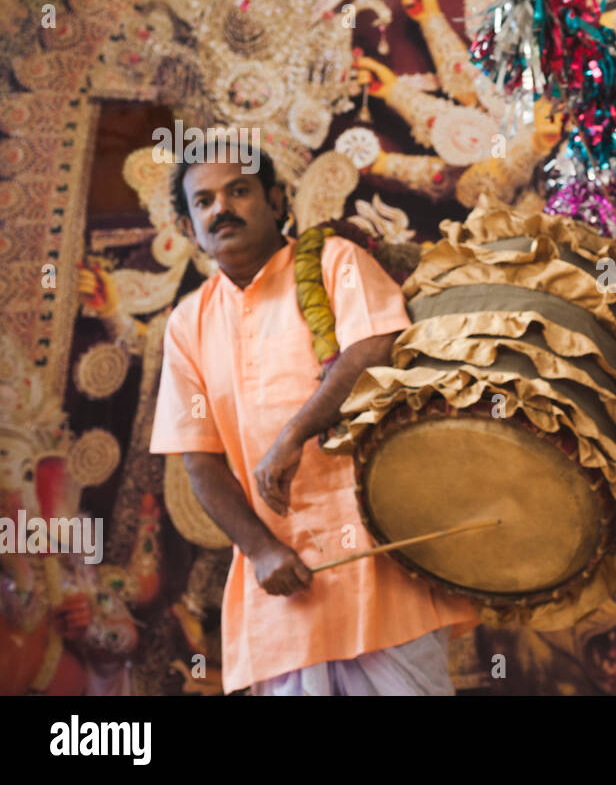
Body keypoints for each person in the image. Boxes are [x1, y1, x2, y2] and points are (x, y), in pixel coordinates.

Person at [149, 142, 477, 695]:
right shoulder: (188, 323)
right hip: (284, 586)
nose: (221, 208)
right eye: (203, 201)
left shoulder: (332, 263)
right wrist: (260, 549)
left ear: (276, 200)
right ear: (188, 225)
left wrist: (293, 436)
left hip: (379, 561)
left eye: (238, 190)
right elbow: (200, 462)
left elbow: (376, 347)